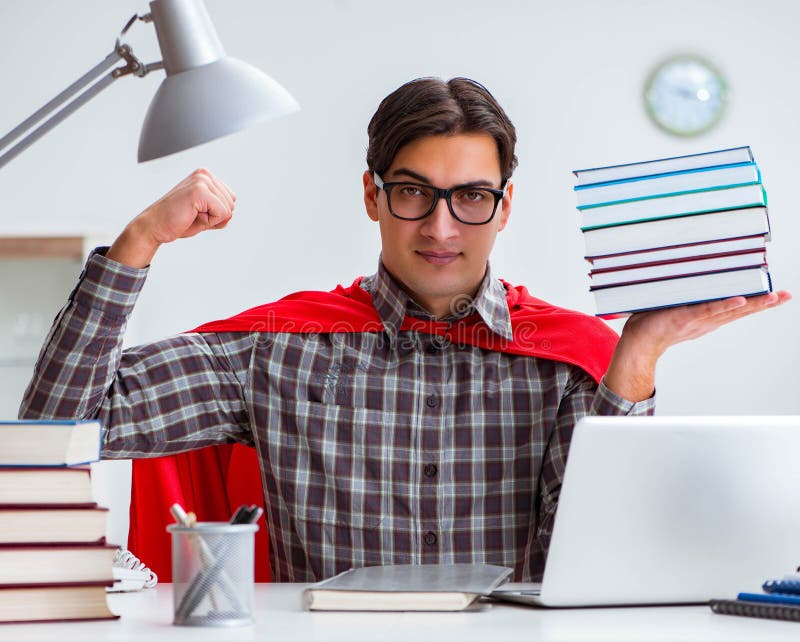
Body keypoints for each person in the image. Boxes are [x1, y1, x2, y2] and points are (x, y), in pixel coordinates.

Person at [19, 77, 789, 583]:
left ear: (505, 207)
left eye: (472, 197)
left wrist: (641, 352)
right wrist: (139, 242)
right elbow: (56, 429)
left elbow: (602, 557)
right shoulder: (274, 351)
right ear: (372, 196)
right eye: (415, 193)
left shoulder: (573, 363)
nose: (442, 228)